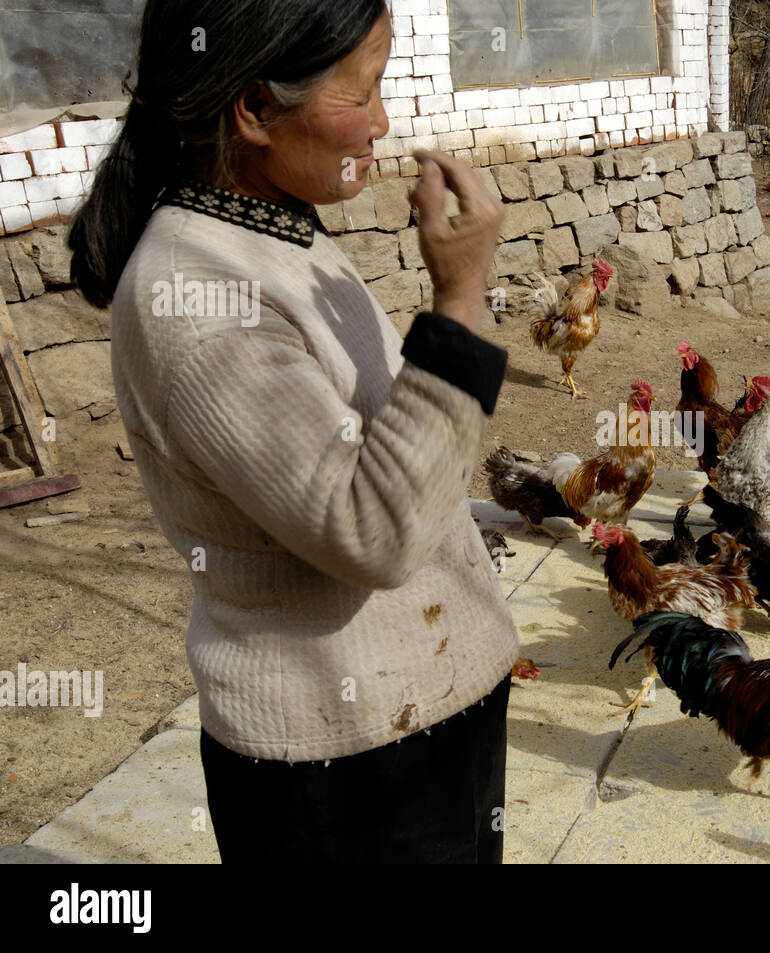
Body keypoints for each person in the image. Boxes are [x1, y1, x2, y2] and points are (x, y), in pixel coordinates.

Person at [67, 0, 517, 862]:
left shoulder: (270, 228)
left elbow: (397, 460)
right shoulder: (190, 297)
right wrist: (460, 300)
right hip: (343, 766)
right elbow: (372, 531)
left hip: (417, 720)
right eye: (366, 91)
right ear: (256, 108)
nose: (384, 122)